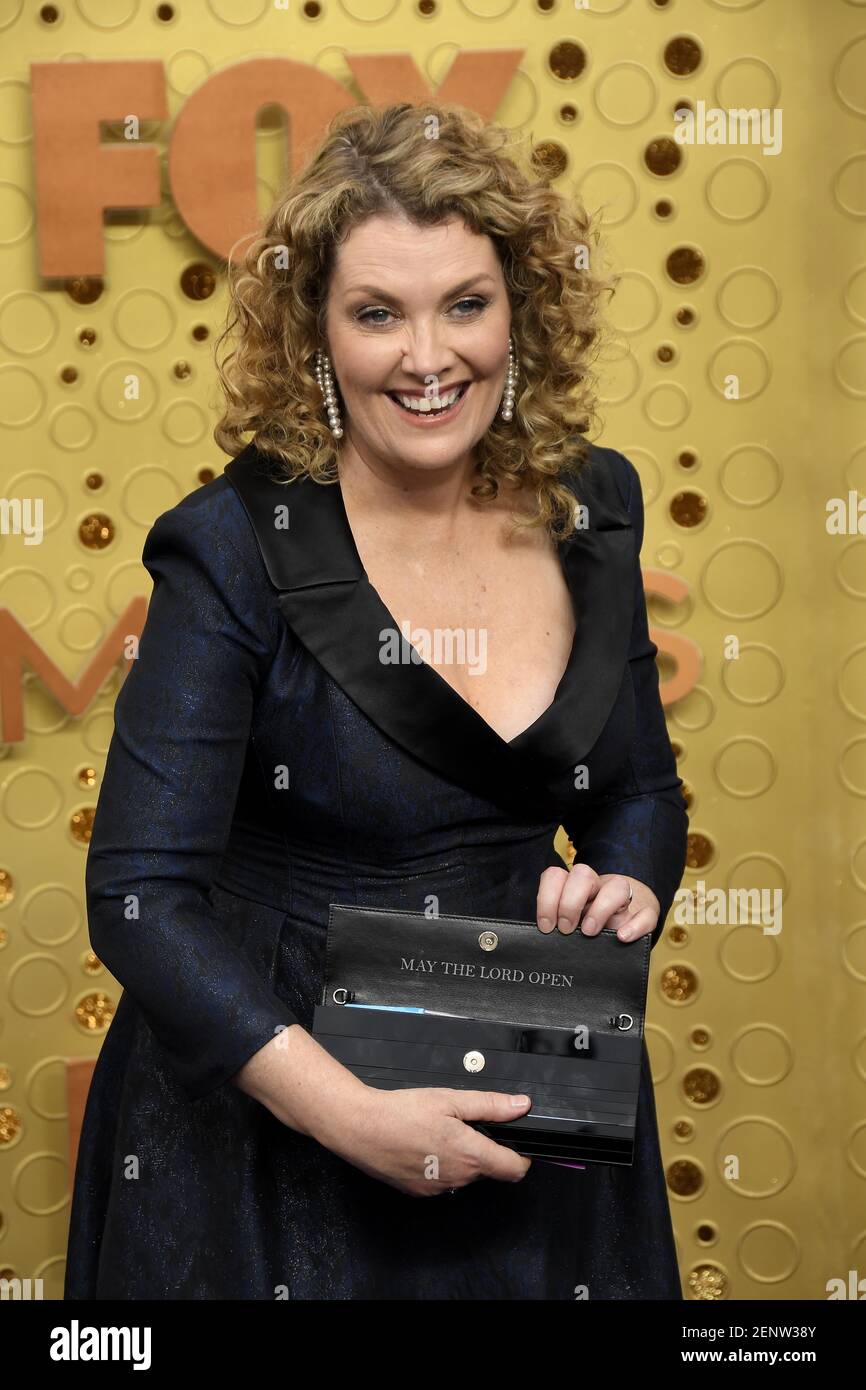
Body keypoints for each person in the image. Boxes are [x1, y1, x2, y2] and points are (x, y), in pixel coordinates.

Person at [64, 102, 688, 1300]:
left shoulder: (591, 503)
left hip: (533, 1095)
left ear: (520, 309)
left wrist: (624, 886)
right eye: (375, 314)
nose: (426, 357)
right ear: (315, 334)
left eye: (464, 303)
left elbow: (638, 795)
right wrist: (347, 1113)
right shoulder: (231, 544)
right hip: (277, 1139)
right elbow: (139, 896)